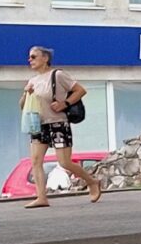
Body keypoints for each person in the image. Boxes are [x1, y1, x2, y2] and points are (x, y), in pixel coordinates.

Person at [19, 46, 104, 206]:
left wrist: (64, 104)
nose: (29, 60)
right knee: (36, 161)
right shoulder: (32, 81)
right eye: (29, 57)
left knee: (64, 162)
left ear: (45, 58)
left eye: (33, 56)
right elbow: (23, 106)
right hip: (39, 125)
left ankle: (92, 182)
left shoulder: (57, 75)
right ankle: (41, 197)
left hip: (58, 123)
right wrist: (26, 93)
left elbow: (80, 90)